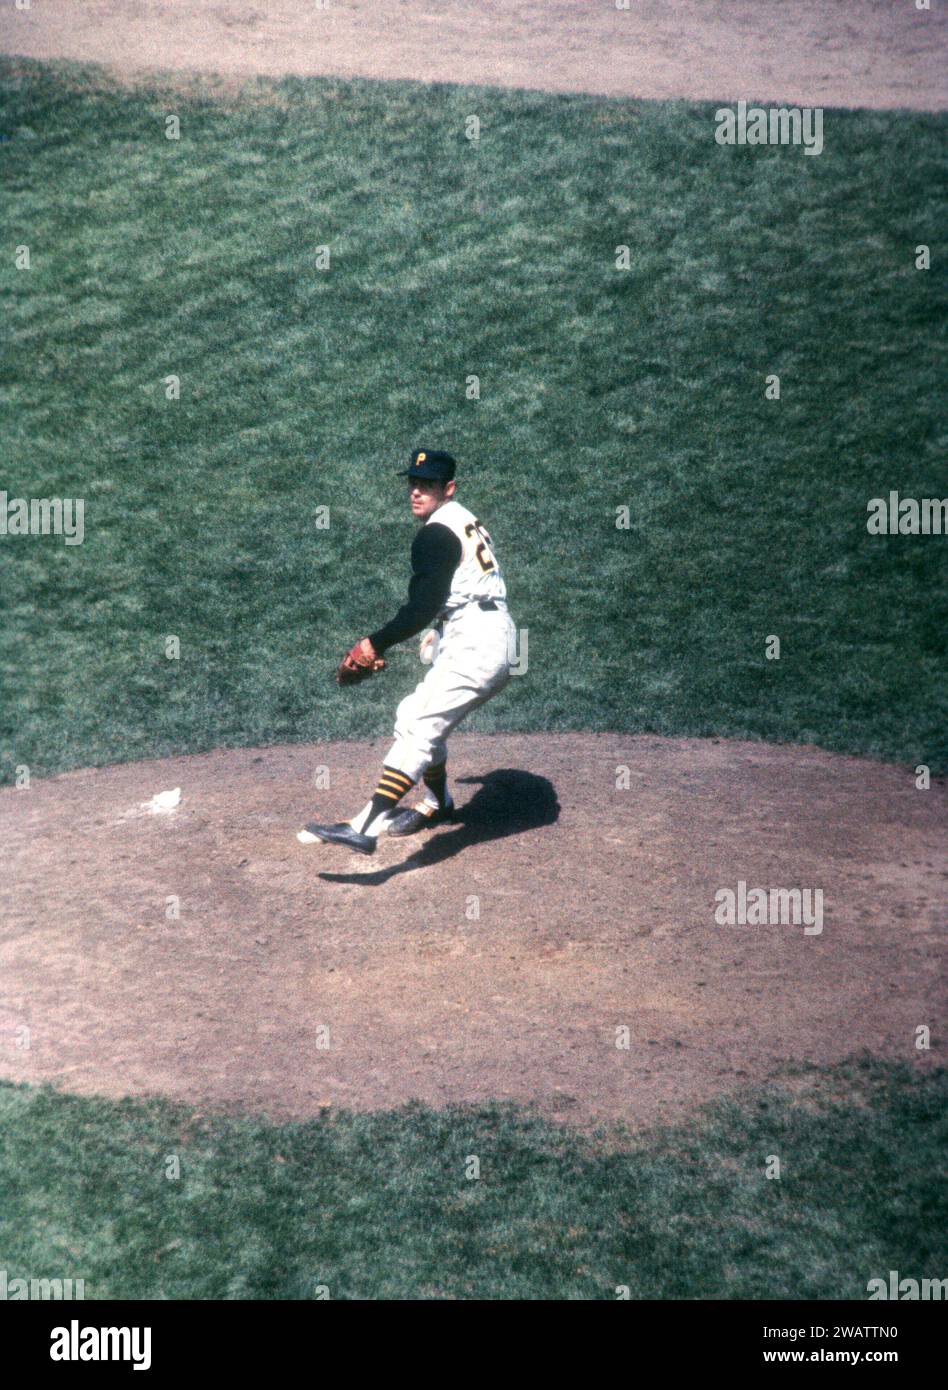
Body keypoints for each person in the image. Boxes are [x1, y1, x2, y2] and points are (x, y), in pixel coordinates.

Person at [299, 449, 516, 855]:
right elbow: (466, 584)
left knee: (422, 728)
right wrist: (443, 628)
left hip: (480, 641)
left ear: (447, 488)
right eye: (413, 483)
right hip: (481, 631)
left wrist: (373, 642)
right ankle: (438, 804)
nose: (416, 492)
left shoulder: (436, 533)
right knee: (410, 714)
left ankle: (364, 825)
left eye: (428, 485)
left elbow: (418, 608)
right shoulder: (463, 519)